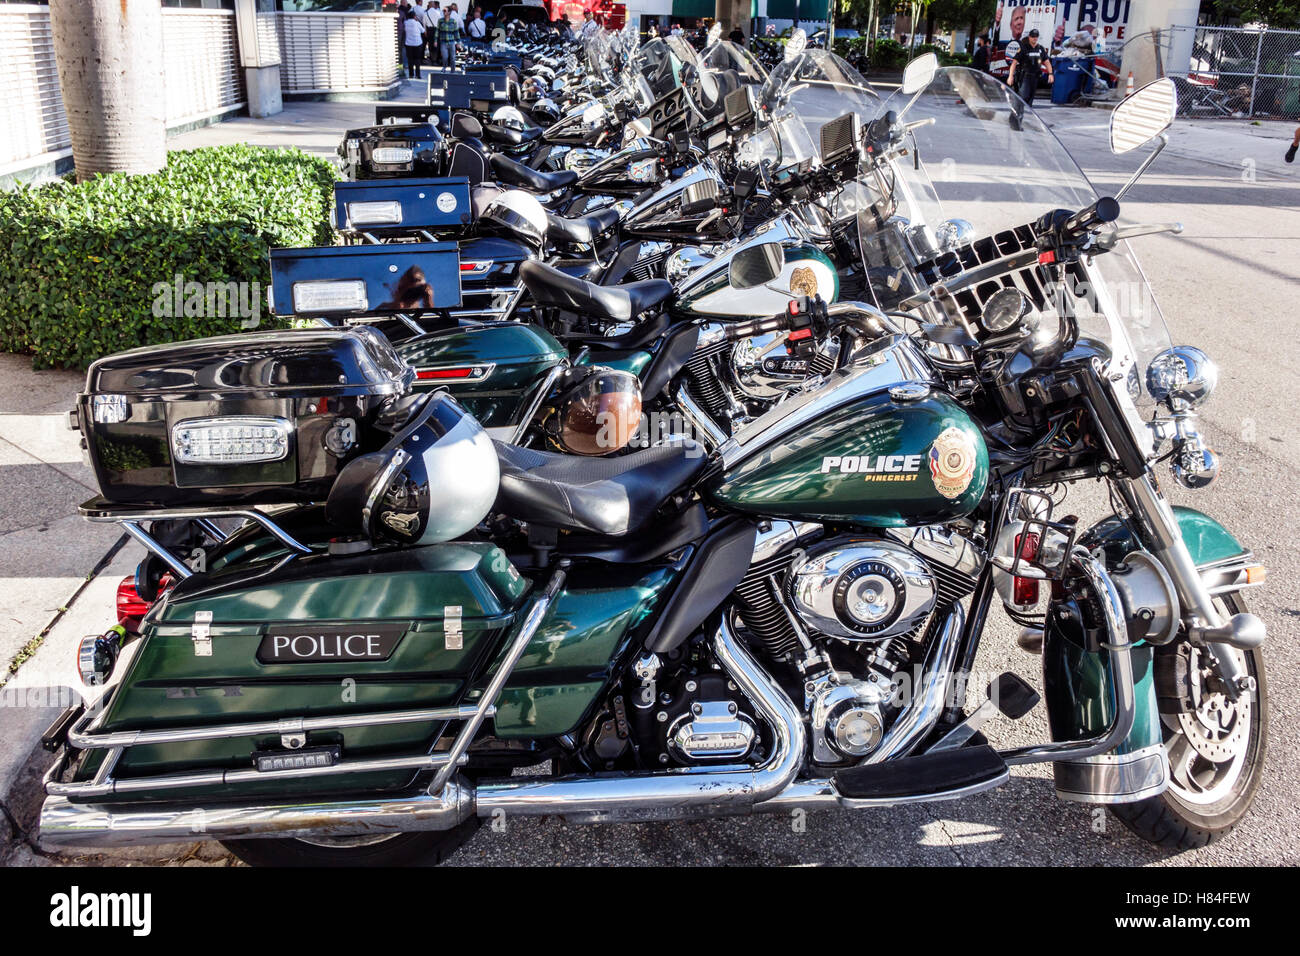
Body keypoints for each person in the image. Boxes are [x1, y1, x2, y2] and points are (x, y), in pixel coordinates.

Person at [1007, 27, 1052, 126]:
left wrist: (1050, 73)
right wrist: (1010, 76)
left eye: (1036, 37)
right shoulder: (1024, 48)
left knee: (1028, 100)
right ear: (1029, 37)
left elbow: (1047, 61)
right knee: (1021, 98)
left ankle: (1014, 119)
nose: (1034, 39)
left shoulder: (1040, 49)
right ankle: (1016, 122)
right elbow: (1014, 63)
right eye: (1032, 37)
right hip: (1025, 76)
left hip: (1035, 77)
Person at [402, 9, 426, 79]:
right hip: (417, 43)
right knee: (417, 59)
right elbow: (423, 31)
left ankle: (411, 74)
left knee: (410, 59)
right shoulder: (417, 23)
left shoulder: (405, 23)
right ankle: (418, 75)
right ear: (414, 16)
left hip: (408, 43)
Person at [437, 4, 462, 69]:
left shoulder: (453, 21)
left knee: (453, 57)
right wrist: (435, 40)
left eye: (445, 10)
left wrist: (459, 42)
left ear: (449, 12)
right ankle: (444, 67)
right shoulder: (440, 21)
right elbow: (437, 31)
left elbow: (456, 32)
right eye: (443, 10)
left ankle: (452, 71)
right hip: (443, 42)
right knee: (445, 57)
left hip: (451, 42)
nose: (443, 12)